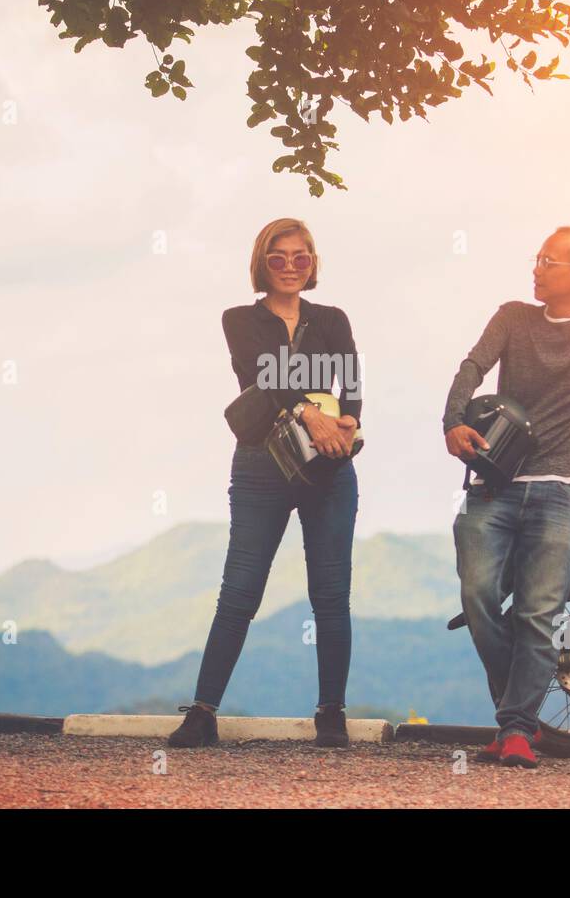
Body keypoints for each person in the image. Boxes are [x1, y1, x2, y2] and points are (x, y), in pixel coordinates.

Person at [442, 226, 570, 768]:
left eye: (548, 261)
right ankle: (520, 715)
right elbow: (472, 366)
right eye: (537, 258)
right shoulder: (513, 317)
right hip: (495, 484)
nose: (536, 268)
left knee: (539, 612)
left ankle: (515, 730)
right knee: (478, 596)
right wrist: (452, 422)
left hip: (562, 491)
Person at [169, 218, 362, 749]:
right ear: (262, 262)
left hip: (327, 465)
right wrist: (308, 410)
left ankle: (331, 714)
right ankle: (203, 712)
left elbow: (352, 381)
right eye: (279, 257)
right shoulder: (239, 319)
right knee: (240, 590)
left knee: (331, 595)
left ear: (313, 263)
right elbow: (264, 374)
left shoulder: (333, 319)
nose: (291, 267)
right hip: (261, 464)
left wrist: (348, 422)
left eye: (302, 257)